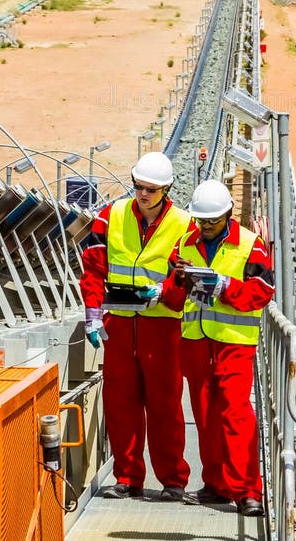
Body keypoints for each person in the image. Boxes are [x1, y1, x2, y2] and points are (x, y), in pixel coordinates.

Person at [79, 151, 193, 501]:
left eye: (151, 190)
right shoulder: (111, 216)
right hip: (119, 324)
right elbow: (93, 267)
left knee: (165, 406)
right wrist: (92, 311)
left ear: (166, 190)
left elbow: (185, 276)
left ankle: (173, 480)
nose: (143, 194)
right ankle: (127, 477)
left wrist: (163, 292)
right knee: (120, 404)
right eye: (138, 187)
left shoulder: (184, 224)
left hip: (162, 327)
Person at [162, 179, 275, 517]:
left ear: (228, 214)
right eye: (201, 220)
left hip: (233, 341)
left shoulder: (250, 245)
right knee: (206, 414)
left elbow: (262, 292)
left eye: (212, 220)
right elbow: (172, 300)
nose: (206, 226)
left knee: (235, 414)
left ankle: (248, 491)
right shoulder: (185, 244)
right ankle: (216, 484)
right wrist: (177, 280)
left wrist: (224, 287)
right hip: (196, 341)